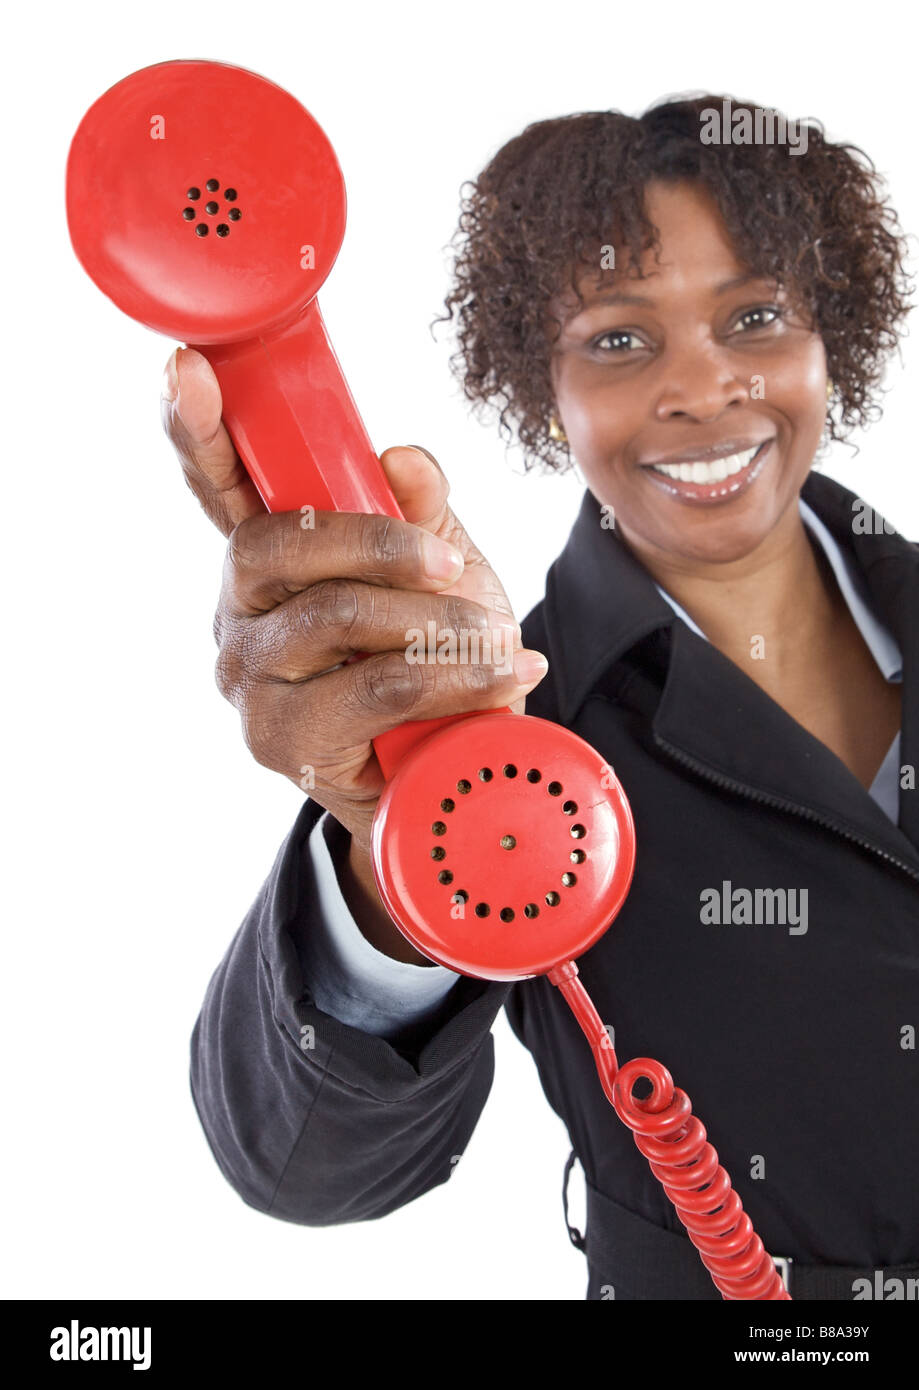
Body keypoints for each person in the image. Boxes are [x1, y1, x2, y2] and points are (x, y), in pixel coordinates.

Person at [165, 95, 919, 1300]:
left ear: (833, 333)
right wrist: (399, 860)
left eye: (756, 317)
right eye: (620, 340)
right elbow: (301, 1163)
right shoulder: (505, 740)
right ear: (539, 377)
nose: (703, 387)